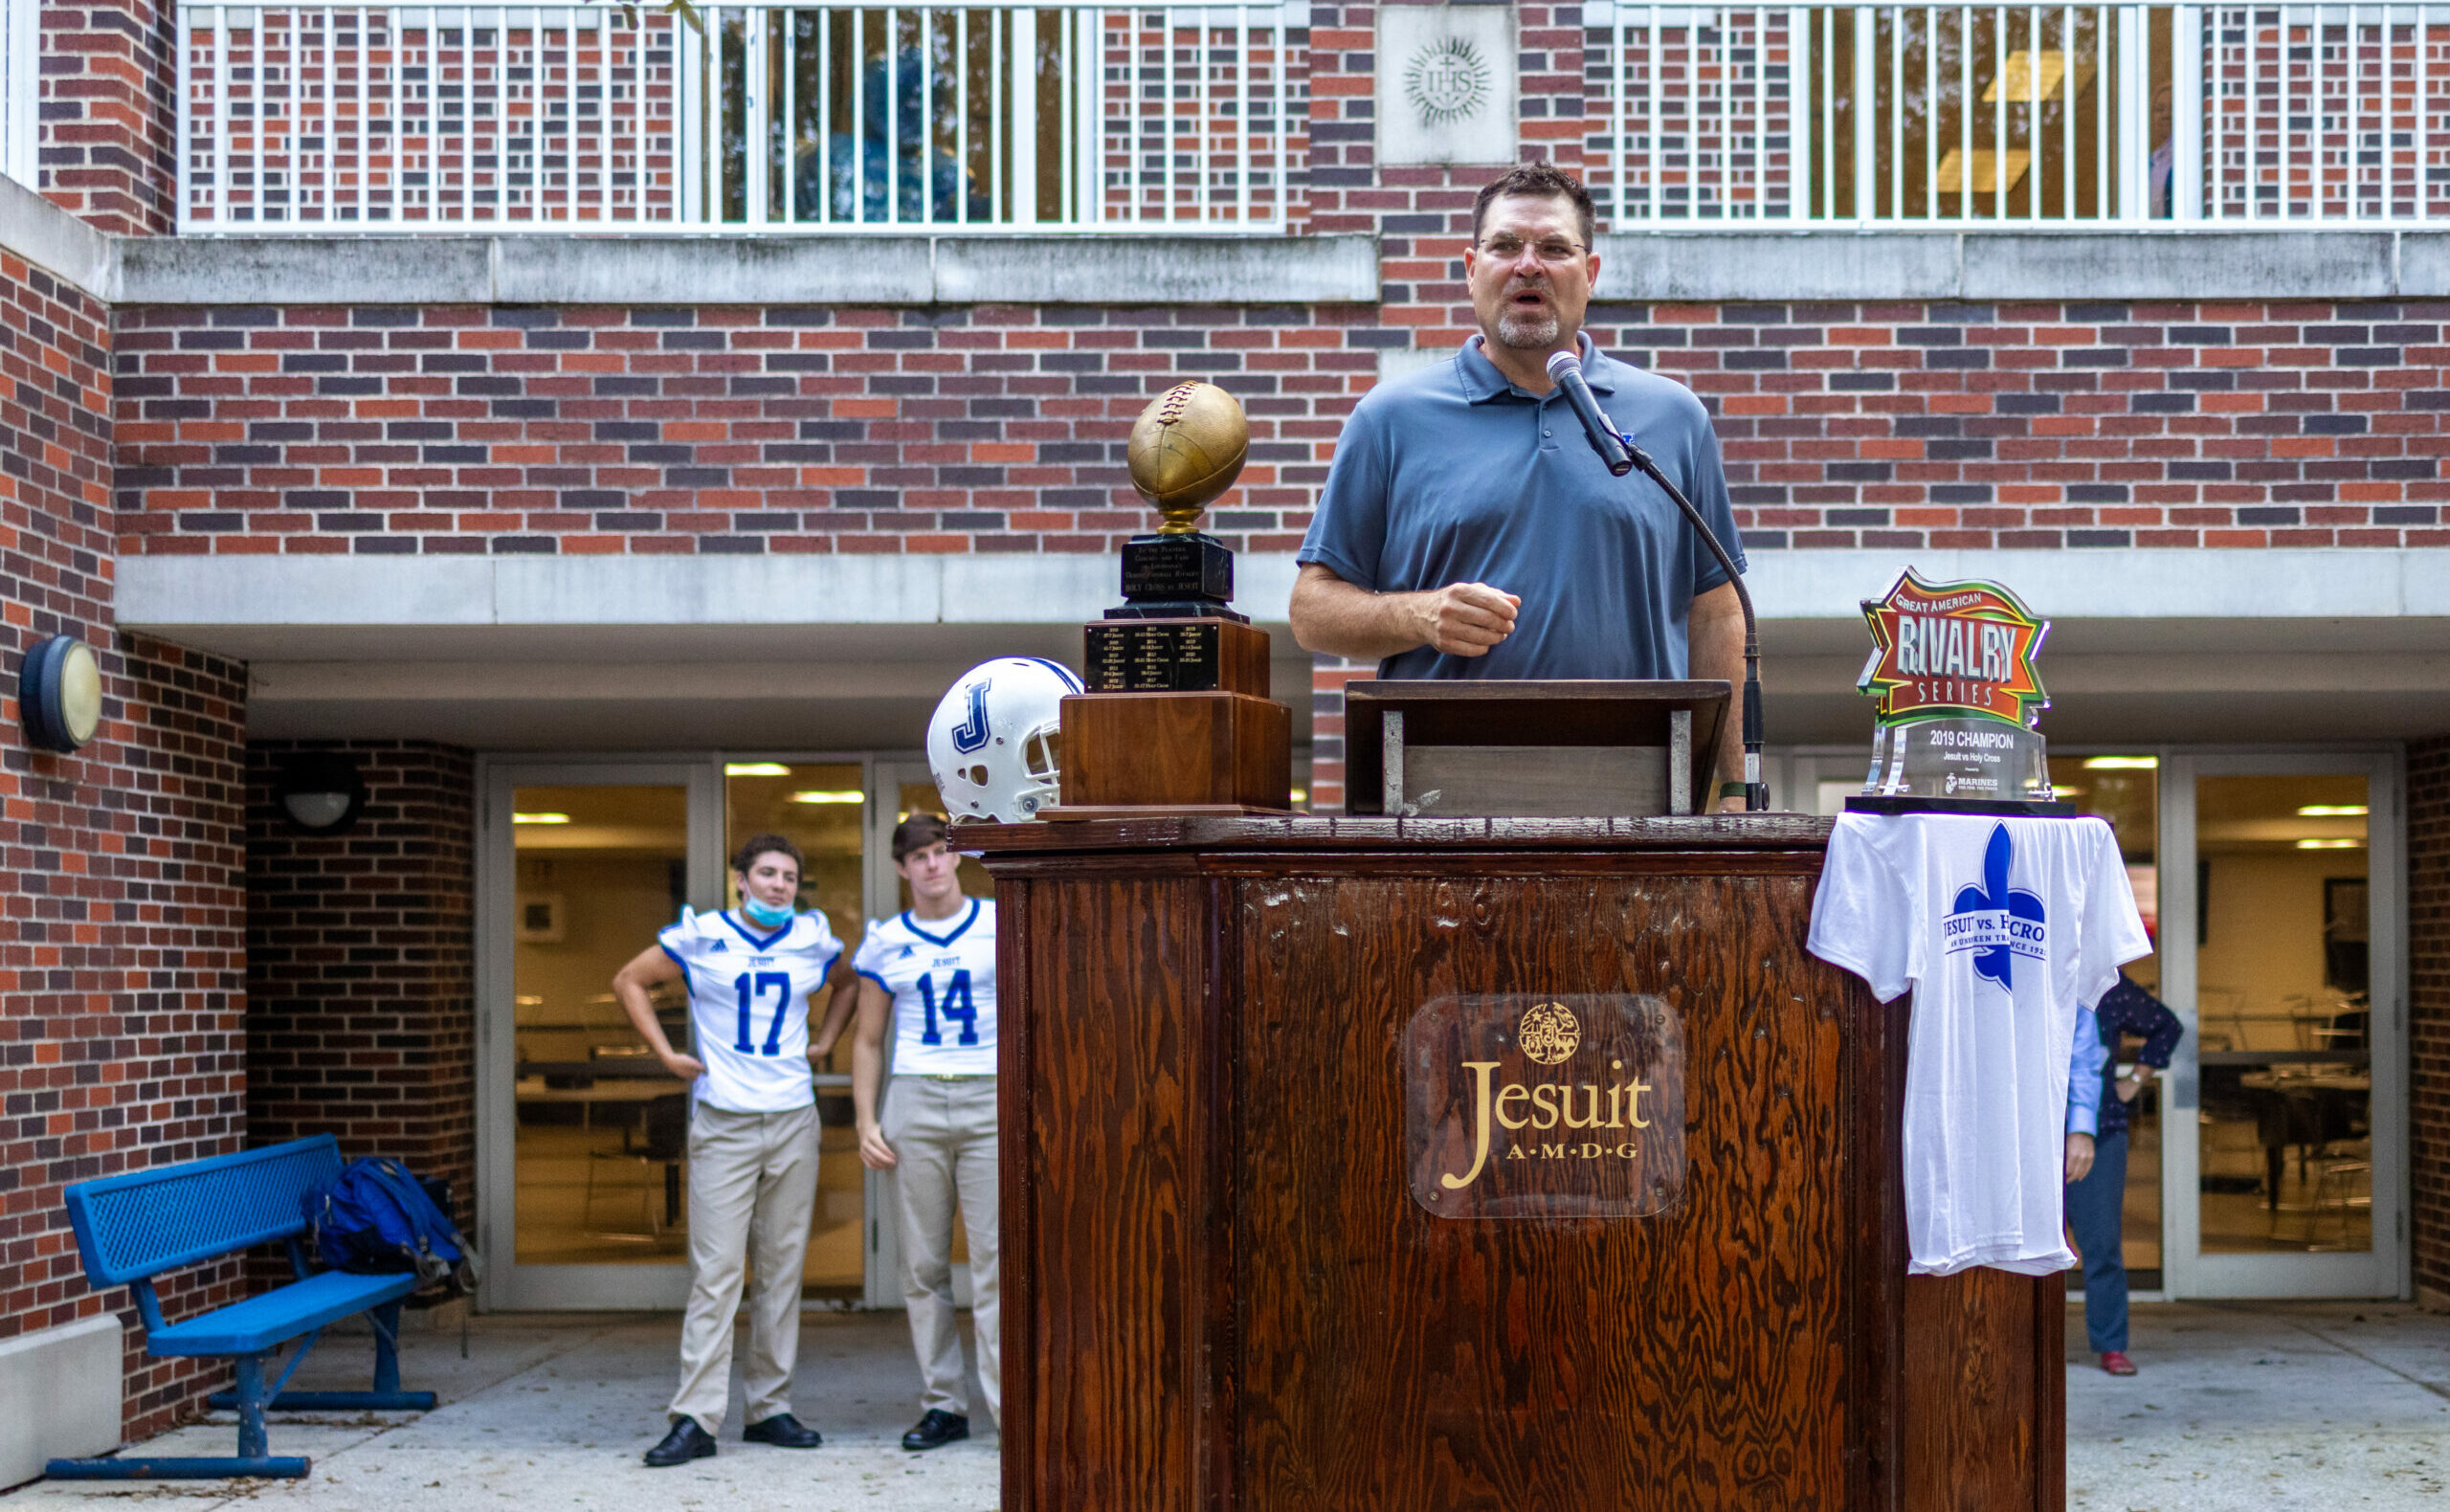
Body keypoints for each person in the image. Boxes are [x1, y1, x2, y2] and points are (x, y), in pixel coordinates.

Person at [1289, 159, 1751, 808]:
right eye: (1506, 246)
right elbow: (1312, 611)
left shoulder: (1673, 419)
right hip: (1440, 802)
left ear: (1589, 275)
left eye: (1554, 248)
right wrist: (1420, 614)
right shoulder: (1389, 420)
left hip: (1642, 798)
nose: (1528, 264)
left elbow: (1717, 613)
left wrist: (1731, 788)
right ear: (1471, 269)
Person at [611, 834, 845, 1466]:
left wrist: (825, 1040)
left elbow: (849, 981)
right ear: (740, 879)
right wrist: (665, 1053)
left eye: (790, 877)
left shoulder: (812, 937)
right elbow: (629, 980)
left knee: (782, 1268)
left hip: (793, 1118)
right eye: (767, 873)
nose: (778, 886)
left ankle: (771, 1407)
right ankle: (696, 1417)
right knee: (716, 1275)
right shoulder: (701, 934)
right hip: (724, 1121)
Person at [848, 812, 1003, 1452]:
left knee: (998, 1263)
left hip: (989, 1093)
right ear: (901, 868)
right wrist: (865, 1119)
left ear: (956, 856)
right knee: (922, 1264)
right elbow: (867, 1038)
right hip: (914, 1095)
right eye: (920, 857)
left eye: (941, 851)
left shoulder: (1000, 922)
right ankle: (944, 1403)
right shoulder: (885, 940)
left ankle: (1008, 1404)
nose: (933, 865)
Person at [2064, 971, 2184, 1376]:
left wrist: (2134, 1081)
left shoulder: (2104, 980)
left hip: (2101, 1130)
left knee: (2101, 1245)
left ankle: (2111, 1344)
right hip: (2027, 1134)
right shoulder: (2028, 968)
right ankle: (2019, 1342)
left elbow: (2167, 1026)